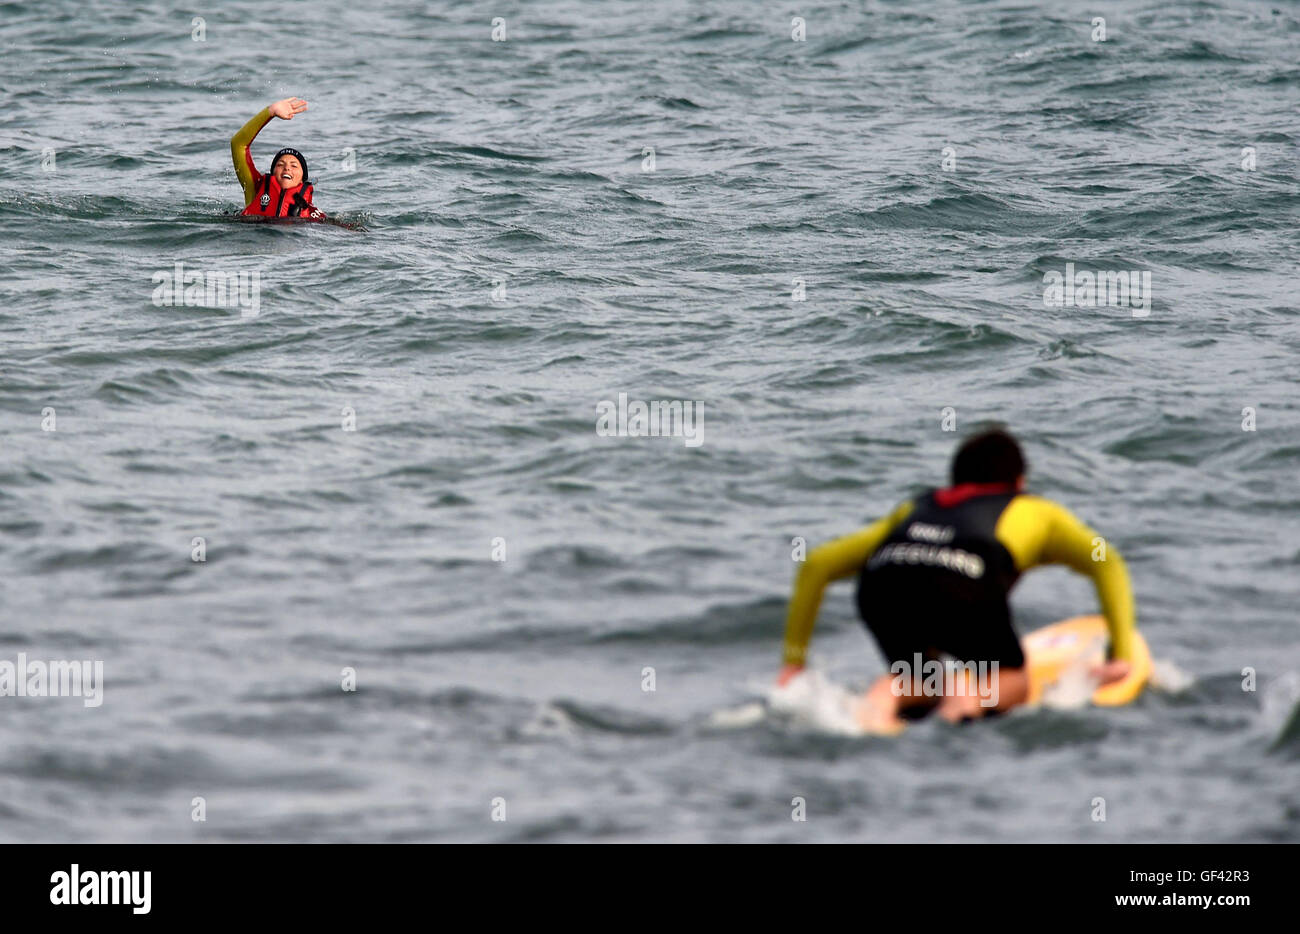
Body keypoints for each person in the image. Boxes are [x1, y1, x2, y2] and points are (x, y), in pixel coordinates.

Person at [777, 428, 1135, 732]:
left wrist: (794, 663)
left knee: (919, 680)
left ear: (956, 481)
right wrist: (1120, 655)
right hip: (963, 588)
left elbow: (817, 564)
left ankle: (877, 707)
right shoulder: (1037, 511)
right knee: (1010, 681)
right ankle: (965, 702)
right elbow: (1108, 563)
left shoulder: (918, 505)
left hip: (883, 585)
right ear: (1019, 482)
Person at [231, 97, 326, 221]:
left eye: (294, 165)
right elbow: (237, 144)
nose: (287, 167)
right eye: (280, 164)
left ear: (303, 179)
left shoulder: (312, 213)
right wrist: (270, 112)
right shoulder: (255, 188)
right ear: (273, 172)